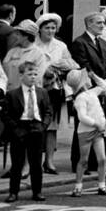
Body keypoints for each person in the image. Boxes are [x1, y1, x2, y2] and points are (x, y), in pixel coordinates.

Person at [33, 13, 78, 174]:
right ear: (40, 29)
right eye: (47, 28)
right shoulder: (33, 45)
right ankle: (33, 162)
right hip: (35, 90)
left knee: (52, 128)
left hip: (54, 91)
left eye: (53, 28)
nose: (51, 31)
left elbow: (72, 64)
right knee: (35, 128)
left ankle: (49, 162)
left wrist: (59, 66)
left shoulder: (61, 46)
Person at [3, 61, 52, 203]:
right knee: (17, 163)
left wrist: (43, 126)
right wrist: (16, 129)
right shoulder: (12, 94)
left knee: (36, 163)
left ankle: (37, 192)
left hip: (36, 127)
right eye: (29, 74)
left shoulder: (42, 92)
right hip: (20, 127)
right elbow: (6, 115)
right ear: (21, 75)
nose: (33, 77)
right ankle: (13, 192)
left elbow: (48, 111)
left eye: (35, 74)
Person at [67, 69, 106, 196]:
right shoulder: (80, 98)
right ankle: (78, 187)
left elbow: (104, 85)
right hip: (86, 132)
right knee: (83, 160)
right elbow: (82, 117)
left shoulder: (92, 92)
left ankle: (102, 186)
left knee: (102, 158)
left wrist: (94, 75)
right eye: (87, 77)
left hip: (97, 130)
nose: (89, 79)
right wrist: (96, 123)